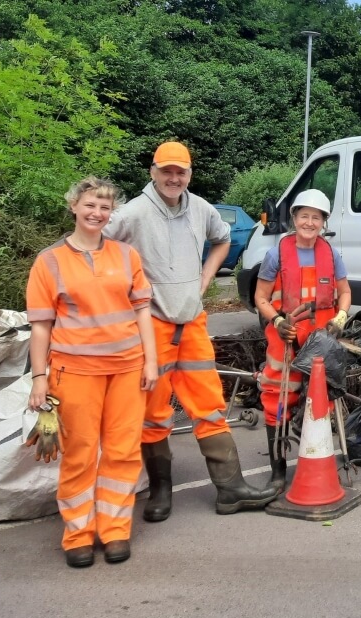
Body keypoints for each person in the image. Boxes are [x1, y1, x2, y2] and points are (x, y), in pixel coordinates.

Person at [105, 141, 275, 520]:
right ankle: (160, 492)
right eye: (166, 171)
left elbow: (223, 240)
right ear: (152, 172)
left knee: (209, 404)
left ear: (189, 174)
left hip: (192, 323)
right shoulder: (131, 214)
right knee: (153, 413)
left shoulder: (201, 208)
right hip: (152, 328)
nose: (173, 178)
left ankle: (231, 490)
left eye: (180, 171)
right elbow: (95, 247)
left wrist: (205, 277)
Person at [26, 177, 159, 567]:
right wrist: (39, 378)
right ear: (73, 206)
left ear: (111, 212)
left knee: (123, 451)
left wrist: (151, 361)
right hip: (75, 372)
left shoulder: (126, 255)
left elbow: (142, 311)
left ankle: (115, 531)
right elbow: (41, 327)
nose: (97, 213)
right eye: (89, 205)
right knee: (79, 454)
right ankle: (78, 536)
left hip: (127, 369)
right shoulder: (49, 261)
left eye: (104, 207)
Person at [253, 189, 352, 493]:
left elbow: (345, 292)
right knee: (278, 400)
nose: (310, 222)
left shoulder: (331, 254)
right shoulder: (276, 255)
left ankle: (319, 464)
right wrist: (278, 321)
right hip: (286, 341)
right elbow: (261, 297)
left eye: (316, 217)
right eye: (304, 216)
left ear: (324, 222)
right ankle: (278, 471)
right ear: (294, 218)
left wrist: (341, 317)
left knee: (322, 399)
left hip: (321, 342)